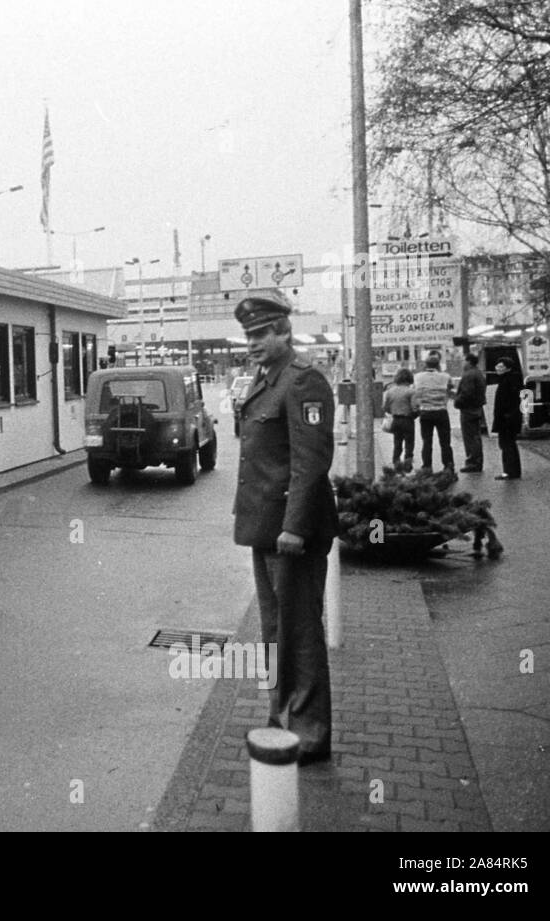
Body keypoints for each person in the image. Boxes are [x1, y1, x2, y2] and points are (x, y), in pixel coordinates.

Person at [233, 290, 338, 766]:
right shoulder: (265, 381)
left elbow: (311, 463)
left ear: (283, 333)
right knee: (275, 630)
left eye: (260, 334)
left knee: (299, 631)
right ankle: (280, 721)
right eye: (248, 335)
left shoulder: (302, 382)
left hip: (291, 532)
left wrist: (295, 527)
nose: (252, 343)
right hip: (265, 529)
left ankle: (310, 733)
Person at [413, 352, 456, 475]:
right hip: (441, 412)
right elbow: (451, 389)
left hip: (425, 412)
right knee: (445, 442)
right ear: (438, 365)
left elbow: (415, 391)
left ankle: (427, 467)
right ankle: (448, 466)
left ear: (425, 365)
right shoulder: (445, 376)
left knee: (427, 441)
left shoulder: (418, 377)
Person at [491, 357, 524, 480]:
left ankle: (510, 472)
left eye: (501, 366)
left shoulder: (508, 381)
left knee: (507, 445)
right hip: (509, 418)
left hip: (507, 420)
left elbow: (508, 402)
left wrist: (507, 416)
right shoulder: (509, 379)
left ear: (508, 368)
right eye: (497, 366)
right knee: (509, 444)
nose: (498, 368)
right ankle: (512, 471)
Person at [454, 353, 487, 472]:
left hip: (468, 409)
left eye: (463, 360)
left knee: (470, 437)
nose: (462, 363)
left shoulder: (469, 375)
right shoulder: (478, 373)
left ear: (468, 361)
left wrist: (457, 401)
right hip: (477, 408)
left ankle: (473, 462)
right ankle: (477, 461)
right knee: (476, 436)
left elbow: (466, 393)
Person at [382, 368, 417, 472]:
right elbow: (415, 407)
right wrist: (414, 415)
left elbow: (385, 407)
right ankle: (407, 464)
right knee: (409, 443)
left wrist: (393, 411)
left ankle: (396, 463)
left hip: (395, 420)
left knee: (397, 443)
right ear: (409, 378)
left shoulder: (390, 391)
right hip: (408, 420)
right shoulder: (411, 391)